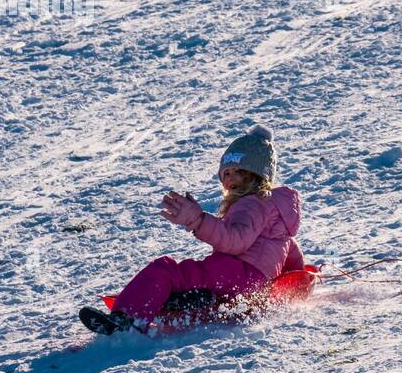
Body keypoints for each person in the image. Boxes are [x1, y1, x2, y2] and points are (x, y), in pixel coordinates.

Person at [79, 125, 303, 335]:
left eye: (239, 171)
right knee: (193, 278)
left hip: (237, 274)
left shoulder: (252, 204)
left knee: (165, 269)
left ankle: (127, 319)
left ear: (257, 175)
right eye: (226, 173)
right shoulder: (276, 213)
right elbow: (290, 253)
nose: (231, 178)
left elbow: (236, 241)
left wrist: (197, 220)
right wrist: (297, 281)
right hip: (253, 286)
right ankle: (193, 299)